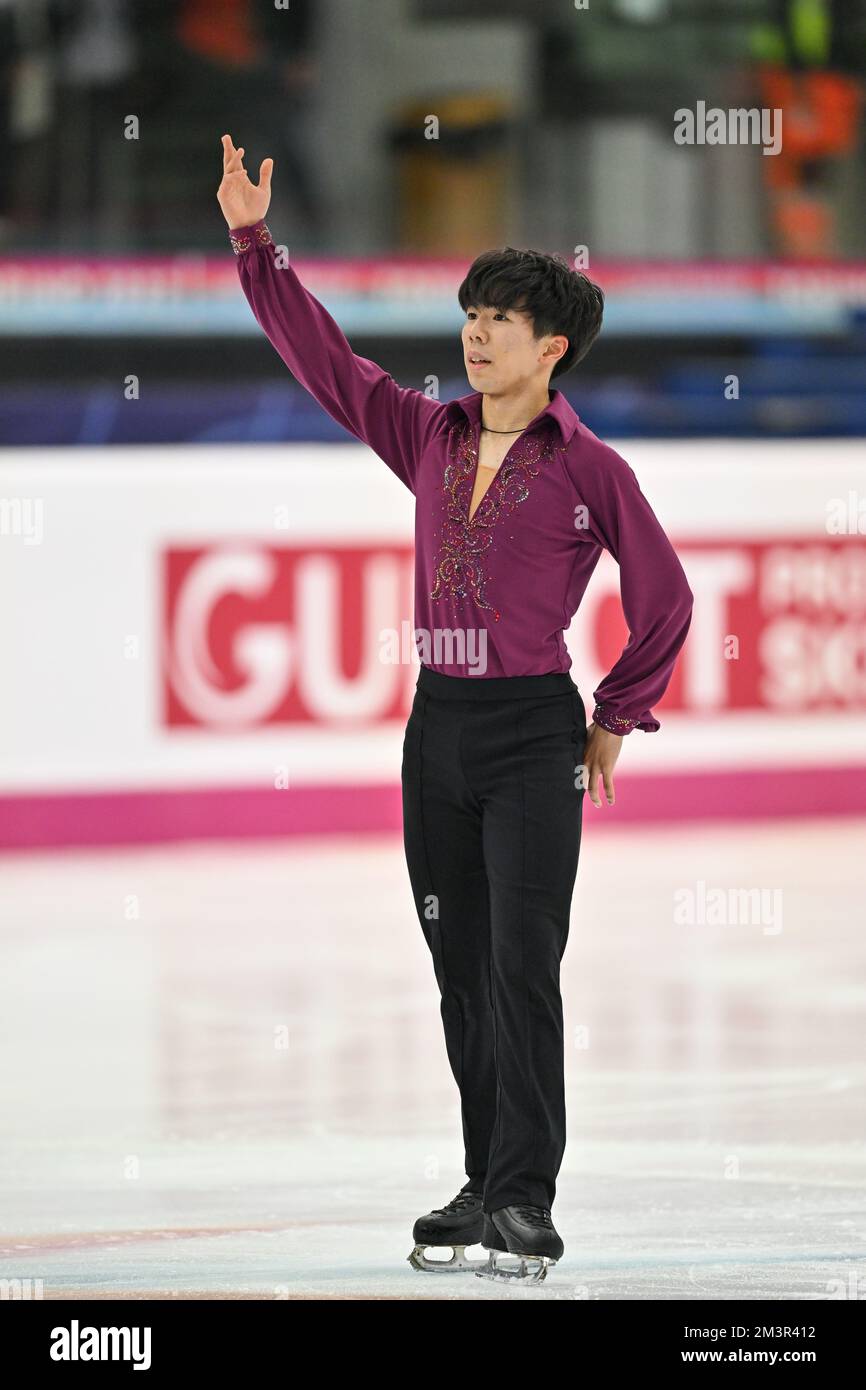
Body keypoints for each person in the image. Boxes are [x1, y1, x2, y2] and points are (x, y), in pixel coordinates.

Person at [216, 134, 694, 1283]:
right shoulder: (425, 435)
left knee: (522, 964)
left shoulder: (591, 471)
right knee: (459, 968)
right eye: (469, 312)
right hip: (434, 733)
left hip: (533, 734)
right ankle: (482, 1177)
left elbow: (666, 596)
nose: (473, 332)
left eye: (497, 318)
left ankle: (526, 1198)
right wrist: (253, 242)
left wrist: (612, 718)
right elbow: (324, 361)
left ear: (551, 347)